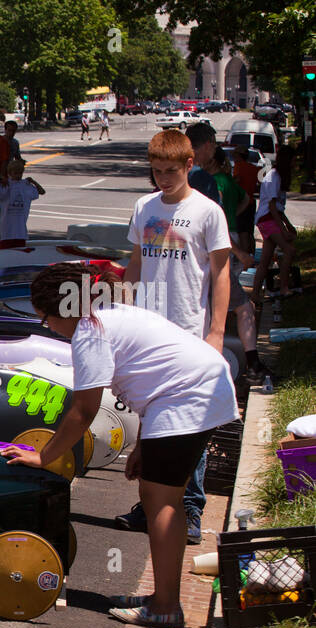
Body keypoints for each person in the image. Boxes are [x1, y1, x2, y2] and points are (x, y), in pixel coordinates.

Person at [4, 262, 236, 628]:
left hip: (187, 397)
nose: (48, 326)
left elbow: (83, 411)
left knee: (161, 502)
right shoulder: (111, 313)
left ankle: (165, 608)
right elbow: (155, 375)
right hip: (198, 389)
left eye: (46, 318)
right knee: (158, 495)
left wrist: (43, 456)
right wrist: (144, 445)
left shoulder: (89, 331)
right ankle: (163, 597)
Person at [115, 129, 232, 546]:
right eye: (156, 171)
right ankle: (154, 502)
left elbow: (220, 272)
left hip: (188, 330)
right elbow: (135, 263)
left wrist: (216, 331)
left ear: (188, 165)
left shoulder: (207, 212)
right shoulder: (144, 207)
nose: (163, 179)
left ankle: (191, 506)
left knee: (186, 421)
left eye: (170, 171)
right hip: (149, 328)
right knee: (154, 415)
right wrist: (123, 311)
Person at [207, 145, 271, 381]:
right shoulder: (227, 180)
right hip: (229, 236)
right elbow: (246, 200)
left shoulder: (212, 184)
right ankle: (249, 360)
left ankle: (242, 359)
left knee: (224, 299)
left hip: (221, 241)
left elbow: (212, 226)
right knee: (235, 301)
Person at [250, 144, 297, 304]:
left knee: (266, 259)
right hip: (267, 219)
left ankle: (255, 295)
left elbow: (278, 208)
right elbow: (271, 207)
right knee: (289, 250)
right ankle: (283, 287)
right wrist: (283, 230)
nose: (294, 163)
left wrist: (288, 224)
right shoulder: (274, 177)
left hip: (271, 218)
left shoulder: (278, 177)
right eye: (293, 160)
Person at [0, 159, 44, 249]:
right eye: (15, 173)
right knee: (6, 252)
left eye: (20, 173)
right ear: (9, 173)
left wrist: (33, 182)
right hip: (7, 230)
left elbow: (41, 192)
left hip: (20, 231)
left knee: (19, 252)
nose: (18, 176)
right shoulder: (5, 185)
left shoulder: (25, 185)